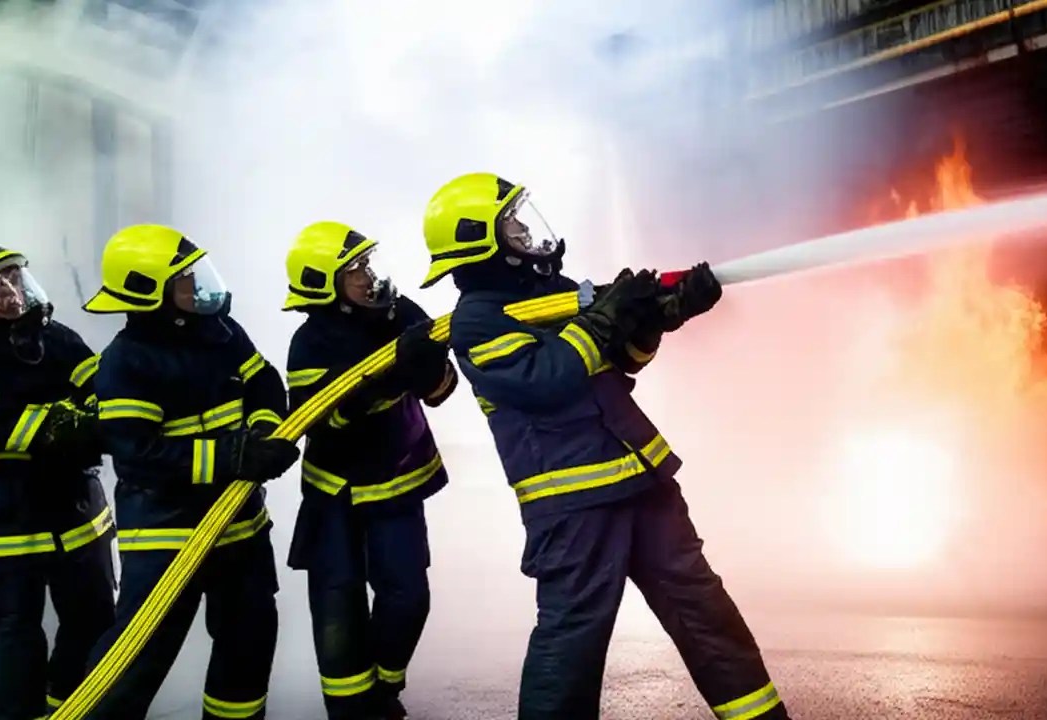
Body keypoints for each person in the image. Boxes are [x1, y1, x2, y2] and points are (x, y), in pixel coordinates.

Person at [420, 173, 790, 720]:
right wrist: (601, 319)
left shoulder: (554, 293)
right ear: (482, 241)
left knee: (707, 617)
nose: (525, 228)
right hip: (575, 508)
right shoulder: (476, 322)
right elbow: (546, 378)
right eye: (511, 224)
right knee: (572, 646)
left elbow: (615, 368)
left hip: (641, 482)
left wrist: (657, 319)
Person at [81, 224, 300, 720]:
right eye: (185, 280)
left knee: (249, 643)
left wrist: (265, 433)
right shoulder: (125, 362)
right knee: (135, 660)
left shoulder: (221, 332)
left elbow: (263, 381)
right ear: (149, 292)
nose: (198, 287)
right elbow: (139, 453)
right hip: (168, 535)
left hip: (239, 528)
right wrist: (233, 458)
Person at [282, 221, 457, 720]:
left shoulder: (402, 314)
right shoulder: (310, 343)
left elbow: (442, 391)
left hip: (397, 486)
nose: (367, 276)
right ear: (323, 284)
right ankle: (350, 710)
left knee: (408, 598)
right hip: (334, 496)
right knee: (339, 610)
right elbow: (327, 420)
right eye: (354, 269)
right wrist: (382, 381)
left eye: (366, 263)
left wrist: (426, 369)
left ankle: (383, 690)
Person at [0, 240, 116, 720]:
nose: (9, 290)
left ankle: (67, 709)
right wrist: (62, 425)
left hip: (78, 517)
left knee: (93, 624)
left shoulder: (59, 339)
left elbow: (106, 396)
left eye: (13, 277)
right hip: (9, 524)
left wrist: (82, 424)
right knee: (13, 631)